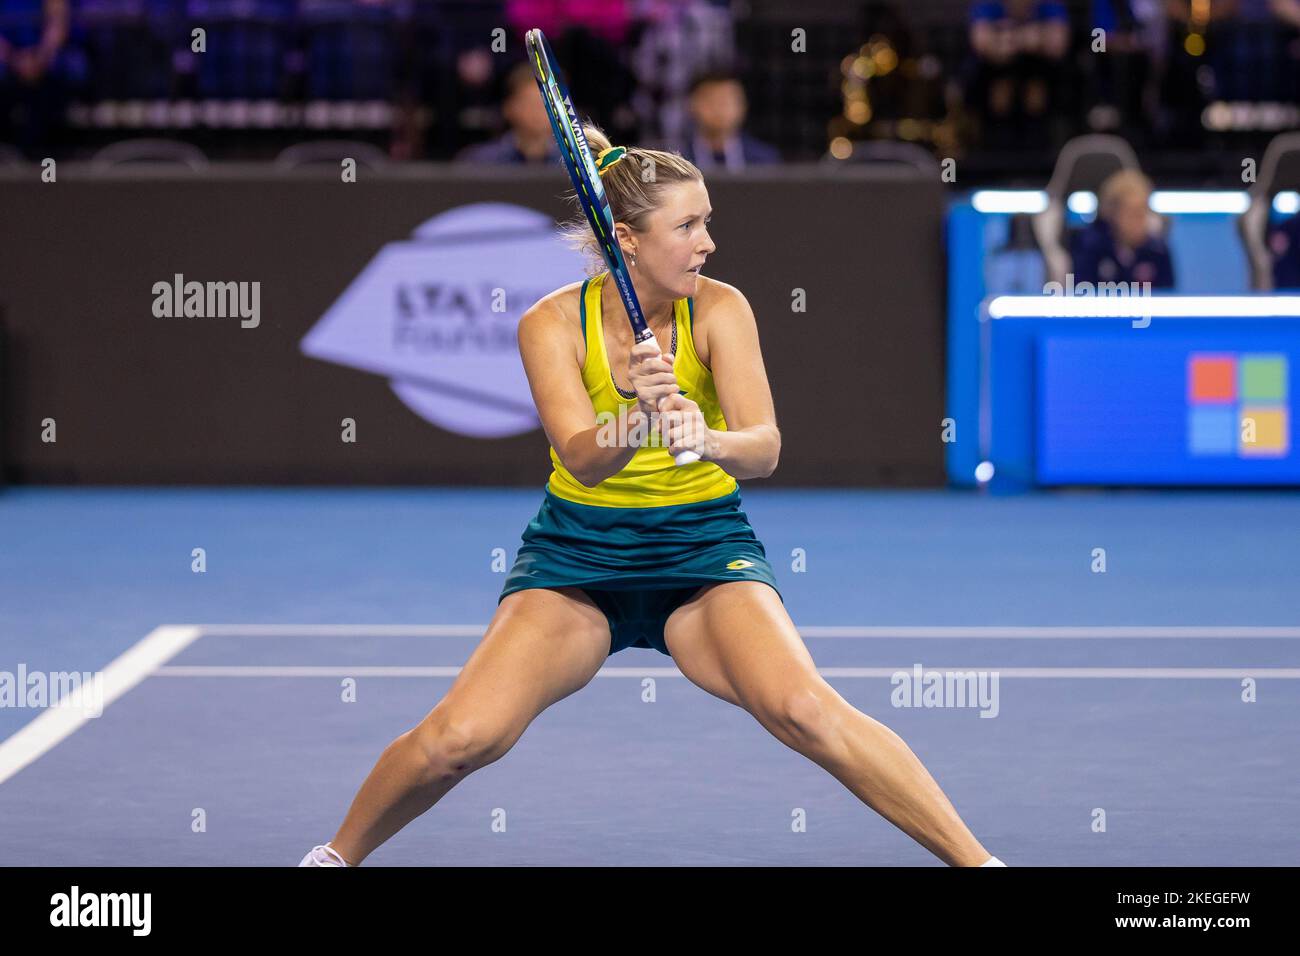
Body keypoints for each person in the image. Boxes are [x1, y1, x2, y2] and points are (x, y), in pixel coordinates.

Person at [300, 127, 1004, 868]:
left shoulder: (723, 310)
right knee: (461, 741)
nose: (708, 243)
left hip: (703, 552)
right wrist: (637, 414)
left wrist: (706, 437)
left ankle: (981, 865)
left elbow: (764, 448)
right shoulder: (548, 323)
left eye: (707, 222)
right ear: (628, 239)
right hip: (578, 559)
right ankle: (333, 859)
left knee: (806, 712)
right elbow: (581, 456)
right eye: (688, 226)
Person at [1070, 169, 1175, 287]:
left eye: (1143, 212)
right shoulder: (1090, 248)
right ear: (1112, 214)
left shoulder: (1157, 251)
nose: (1138, 221)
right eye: (1131, 214)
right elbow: (1081, 294)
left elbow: (1166, 297)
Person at [455, 61, 560, 165]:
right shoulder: (478, 161)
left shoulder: (572, 164)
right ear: (508, 108)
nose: (537, 111)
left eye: (546, 104)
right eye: (529, 103)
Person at [678, 70, 780, 169]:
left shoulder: (764, 160)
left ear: (743, 106)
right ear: (691, 105)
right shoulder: (677, 160)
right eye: (711, 101)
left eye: (726, 102)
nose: (718, 109)